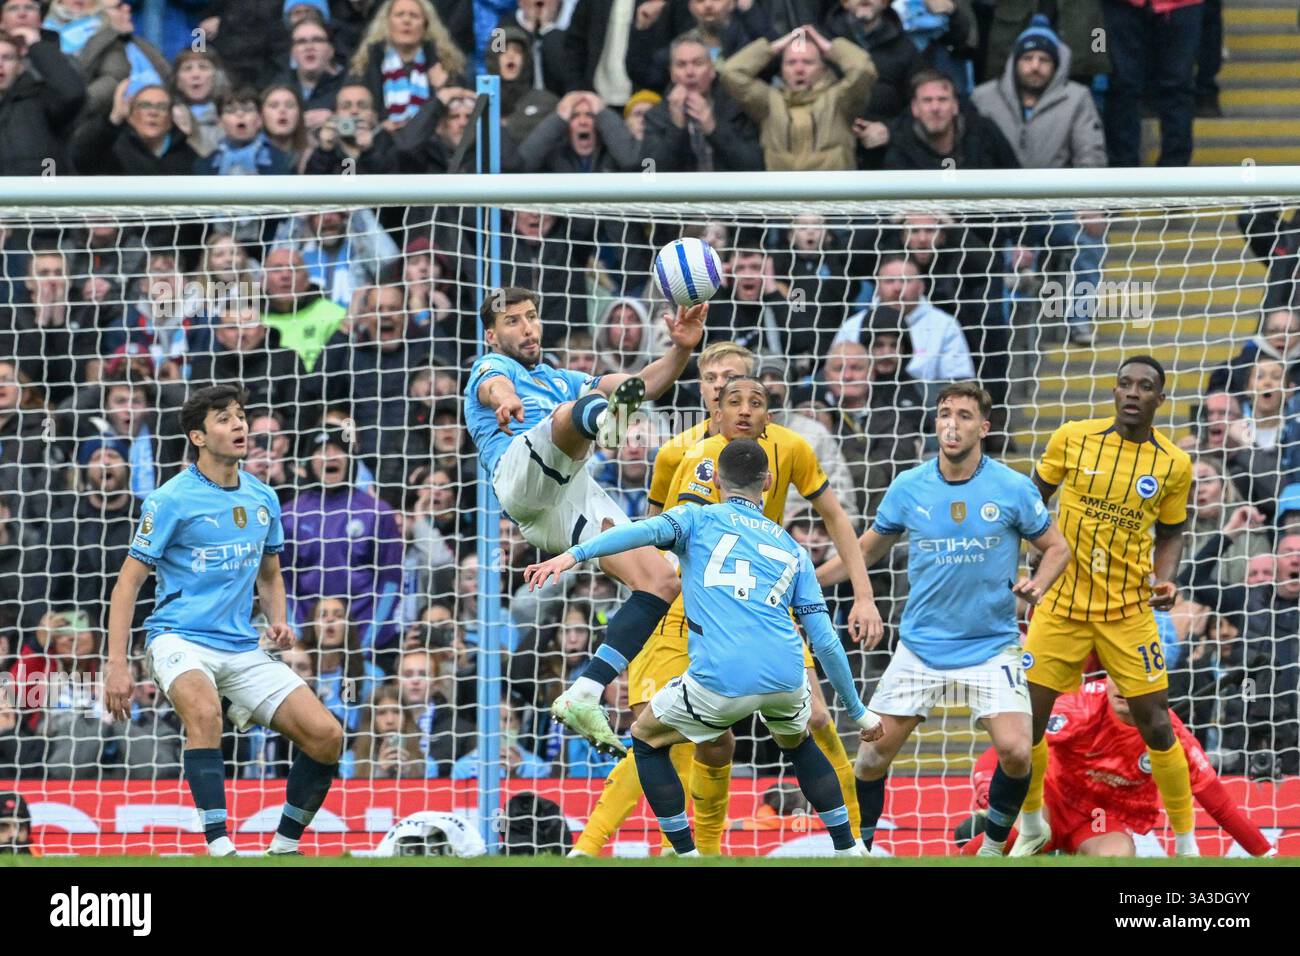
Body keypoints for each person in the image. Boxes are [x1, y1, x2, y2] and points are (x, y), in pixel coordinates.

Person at [524, 437, 884, 857]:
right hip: (786, 673)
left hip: (722, 676)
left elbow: (633, 535)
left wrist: (573, 555)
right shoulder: (792, 548)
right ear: (767, 483)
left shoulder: (696, 519)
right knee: (799, 742)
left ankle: (685, 853)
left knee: (645, 738)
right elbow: (823, 640)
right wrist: (858, 711)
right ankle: (849, 848)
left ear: (714, 479)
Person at [817, 381, 1071, 855]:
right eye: (945, 414)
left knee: (1017, 751)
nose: (952, 424)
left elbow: (1058, 547)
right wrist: (812, 582)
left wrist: (1040, 584)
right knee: (870, 758)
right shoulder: (909, 487)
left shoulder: (1013, 487)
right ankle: (864, 851)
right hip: (922, 648)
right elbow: (865, 550)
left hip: (992, 645)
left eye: (964, 416)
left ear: (985, 427)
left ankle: (994, 847)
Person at [103, 384, 345, 857]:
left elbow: (270, 573)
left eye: (240, 415)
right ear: (197, 435)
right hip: (178, 638)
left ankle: (284, 848)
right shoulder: (169, 499)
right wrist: (116, 663)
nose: (238, 425)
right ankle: (220, 847)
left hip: (241, 645)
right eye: (223, 419)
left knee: (327, 737)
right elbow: (126, 585)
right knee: (206, 713)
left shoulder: (264, 498)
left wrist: (278, 620)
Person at [464, 285, 706, 755]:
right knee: (570, 413)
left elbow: (644, 383)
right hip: (520, 476)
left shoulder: (564, 377)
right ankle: (604, 423)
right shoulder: (492, 368)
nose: (528, 327)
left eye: (531, 316)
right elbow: (495, 385)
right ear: (492, 336)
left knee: (661, 580)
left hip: (568, 498)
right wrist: (506, 399)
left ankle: (586, 691)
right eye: (512, 321)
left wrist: (681, 348)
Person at [1015, 356, 1198, 856]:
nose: (1132, 393)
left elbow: (1173, 530)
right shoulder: (1073, 437)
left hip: (1128, 612)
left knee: (1155, 719)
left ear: (1160, 399)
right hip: (1061, 607)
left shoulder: (1173, 464)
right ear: (1114, 392)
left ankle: (1185, 841)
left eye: (1145, 387)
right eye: (1124, 384)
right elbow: (1028, 503)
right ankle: (1032, 822)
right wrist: (1019, 569)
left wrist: (1166, 580)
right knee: (1028, 716)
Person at [958, 679, 1274, 857]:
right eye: (1115, 675)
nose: (1122, 686)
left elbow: (1223, 808)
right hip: (1051, 800)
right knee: (1008, 838)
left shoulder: (1173, 737)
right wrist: (986, 781)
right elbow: (1015, 748)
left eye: (1133, 676)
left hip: (1099, 820)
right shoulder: (1080, 707)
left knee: (1117, 855)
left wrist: (1266, 855)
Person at [719, 24, 876, 171]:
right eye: (791, 63)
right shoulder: (769, 102)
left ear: (823, 68)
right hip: (782, 195)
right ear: (782, 70)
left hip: (833, 194)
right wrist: (776, 47)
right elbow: (731, 72)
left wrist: (827, 45)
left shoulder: (840, 99)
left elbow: (862, 70)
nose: (799, 69)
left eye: (808, 62)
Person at [0, 26, 86, 175]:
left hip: (45, 194)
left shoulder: (40, 99)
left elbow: (72, 92)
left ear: (20, 66)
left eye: (7, 58)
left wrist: (36, 45)